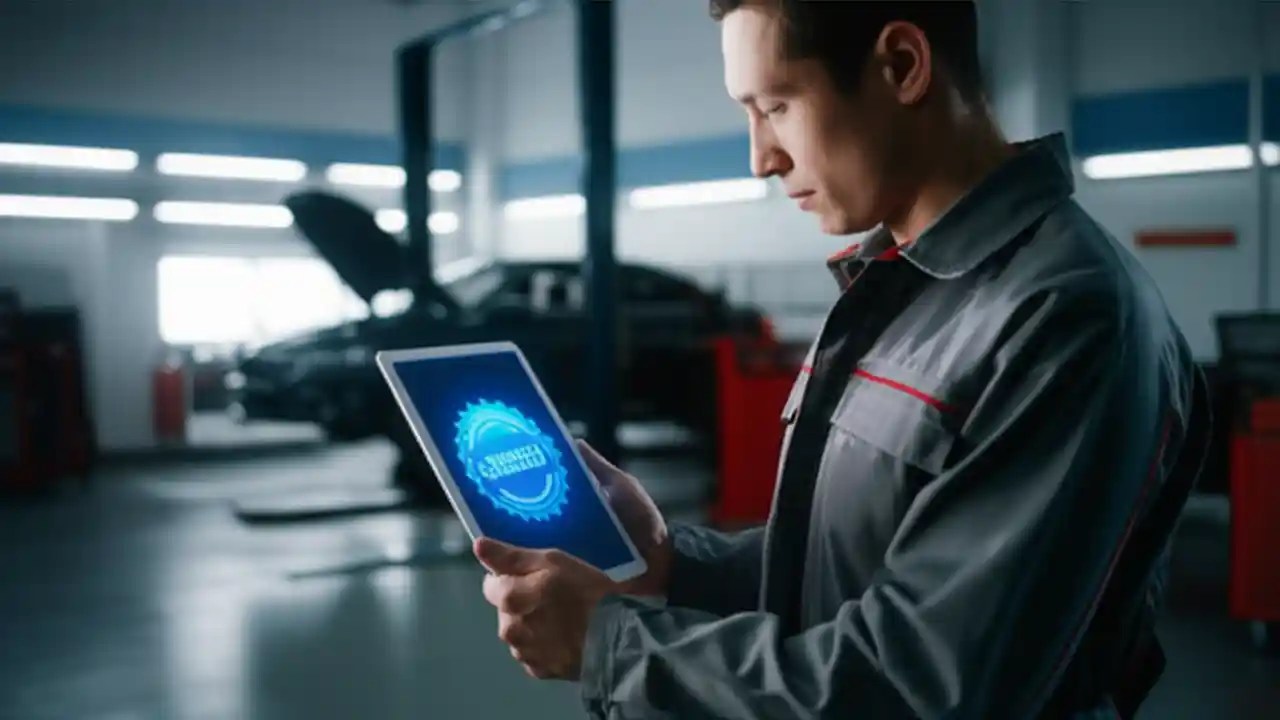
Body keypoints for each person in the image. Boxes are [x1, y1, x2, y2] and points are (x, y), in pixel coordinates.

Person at [473, 1, 1208, 717]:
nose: (760, 157)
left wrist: (614, 648)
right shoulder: (895, 286)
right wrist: (668, 562)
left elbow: (923, 684)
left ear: (901, 65)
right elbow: (849, 576)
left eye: (777, 105)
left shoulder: (1063, 316)